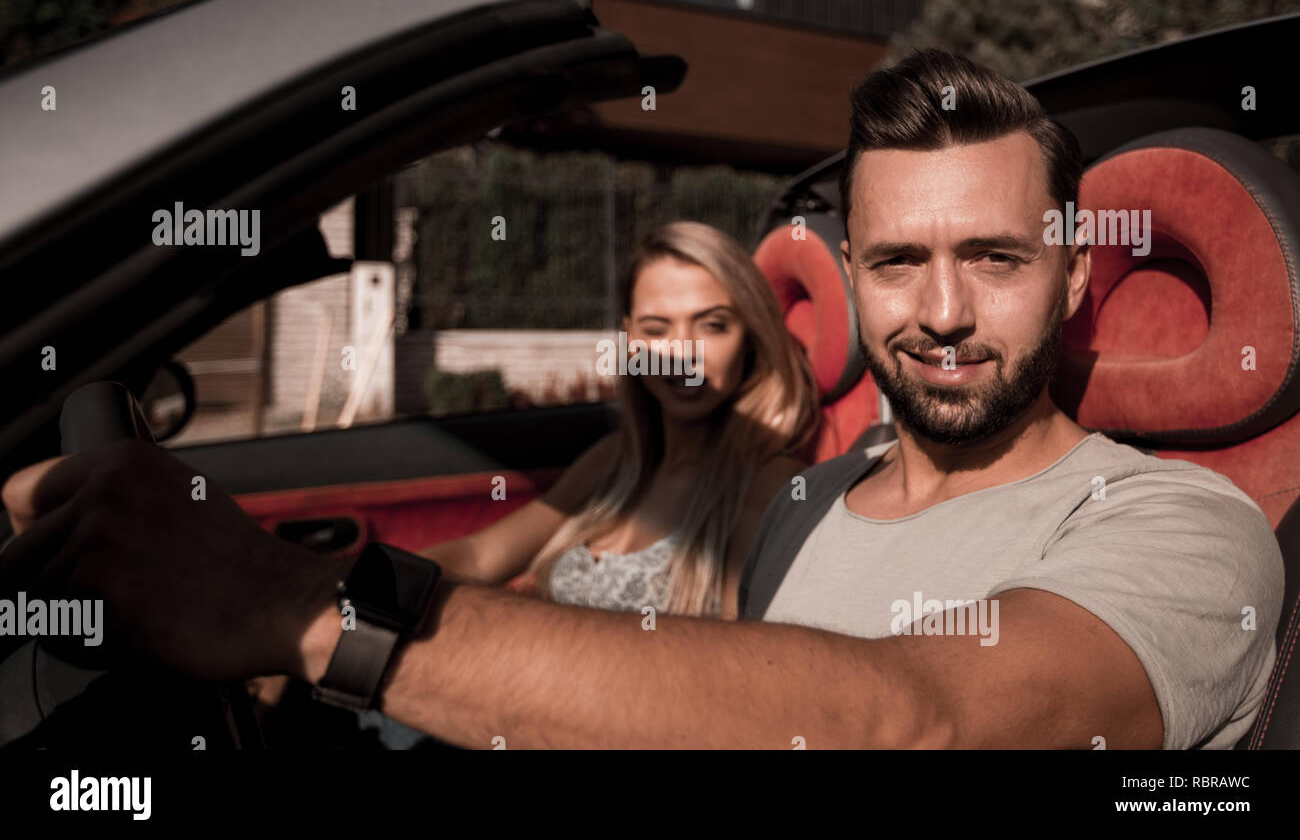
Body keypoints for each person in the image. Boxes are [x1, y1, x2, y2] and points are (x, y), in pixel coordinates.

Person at [1, 49, 1283, 749]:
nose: (940, 312)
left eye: (994, 258)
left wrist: (304, 617)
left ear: (1069, 273)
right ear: (851, 277)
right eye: (898, 261)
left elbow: (909, 718)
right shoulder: (805, 500)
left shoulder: (1180, 529)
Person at [416, 220, 818, 620]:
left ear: (749, 336)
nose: (681, 352)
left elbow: (741, 655)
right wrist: (373, 590)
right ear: (630, 340)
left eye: (713, 325)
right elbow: (477, 558)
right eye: (656, 330)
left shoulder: (770, 480)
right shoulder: (611, 461)